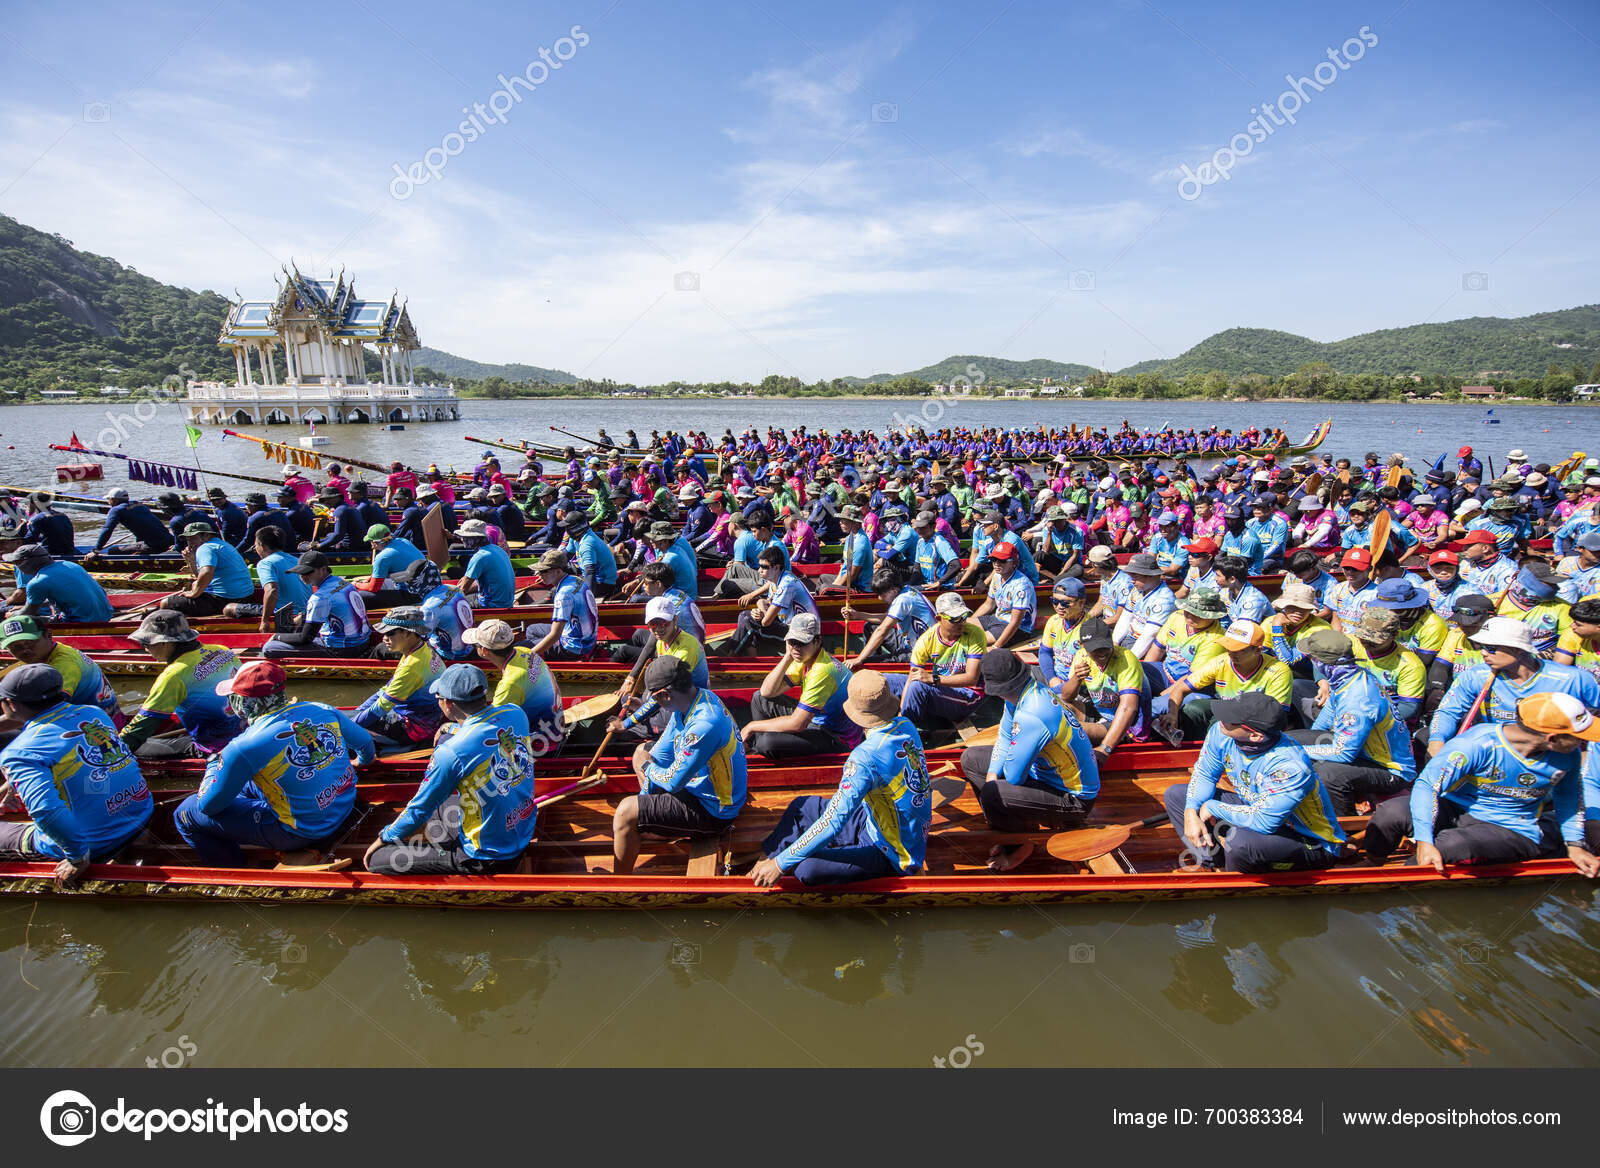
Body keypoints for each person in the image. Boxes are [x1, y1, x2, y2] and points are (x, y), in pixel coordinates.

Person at [1365, 693, 1600, 877]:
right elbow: (1427, 786)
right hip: (1458, 808)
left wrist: (1575, 845)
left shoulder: (1566, 757)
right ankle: (1372, 864)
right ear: (1552, 738)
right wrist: (1424, 840)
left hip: (1514, 829)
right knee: (1391, 812)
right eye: (1578, 737)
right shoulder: (1476, 744)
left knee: (1450, 845)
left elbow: (1568, 799)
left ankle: (1399, 883)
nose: (1583, 743)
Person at [173, 660, 374, 867]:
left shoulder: (242, 747)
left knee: (186, 812)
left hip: (301, 831)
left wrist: (214, 764)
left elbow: (207, 806)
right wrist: (361, 762)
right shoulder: (321, 709)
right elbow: (366, 744)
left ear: (243, 702)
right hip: (345, 804)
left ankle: (232, 870)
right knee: (242, 785)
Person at [753, 670, 931, 886]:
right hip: (874, 820)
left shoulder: (864, 757)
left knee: (807, 869)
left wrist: (781, 864)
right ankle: (763, 863)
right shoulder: (907, 726)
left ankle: (773, 864)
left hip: (892, 852)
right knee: (802, 806)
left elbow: (833, 822)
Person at [363, 664, 540, 875]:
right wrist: (452, 727)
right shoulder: (515, 713)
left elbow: (418, 811)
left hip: (486, 856)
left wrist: (384, 837)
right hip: (523, 826)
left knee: (376, 859)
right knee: (442, 803)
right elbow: (488, 732)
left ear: (447, 704)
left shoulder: (451, 752)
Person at [0, 664, 151, 888]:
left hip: (92, 844)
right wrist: (11, 786)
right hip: (141, 816)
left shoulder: (19, 751)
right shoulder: (94, 713)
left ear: (10, 704)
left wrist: (77, 857)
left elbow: (45, 810)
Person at [1163, 692, 1345, 873]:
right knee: (1177, 795)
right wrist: (1190, 811)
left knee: (1239, 842)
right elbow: (1205, 773)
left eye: (1230, 720)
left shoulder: (1289, 766)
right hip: (1254, 809)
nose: (1221, 720)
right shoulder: (1222, 732)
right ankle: (1211, 864)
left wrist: (1213, 807)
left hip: (1308, 840)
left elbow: (1264, 821)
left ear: (1255, 736)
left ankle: (1233, 885)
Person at [959, 647, 1099, 871]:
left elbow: (1015, 776)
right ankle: (1014, 828)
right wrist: (993, 773)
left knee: (993, 793)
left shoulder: (1032, 713)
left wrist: (993, 786)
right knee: (971, 759)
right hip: (1043, 774)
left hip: (1074, 796)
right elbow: (1005, 736)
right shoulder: (1023, 692)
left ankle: (1020, 845)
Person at [612, 656, 748, 876]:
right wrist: (646, 794)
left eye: (653, 699)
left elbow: (673, 783)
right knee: (641, 751)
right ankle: (654, 824)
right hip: (698, 786)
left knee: (625, 812)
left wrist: (646, 770)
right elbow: (659, 753)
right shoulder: (692, 701)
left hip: (716, 810)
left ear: (664, 695)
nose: (652, 704)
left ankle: (617, 885)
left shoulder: (704, 724)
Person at [1427, 617, 1600, 756]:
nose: (1483, 653)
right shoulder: (1475, 676)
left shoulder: (1573, 678)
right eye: (1481, 646)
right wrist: (1437, 741)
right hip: (1495, 751)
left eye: (1491, 648)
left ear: (1518, 649)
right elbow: (1448, 711)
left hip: (1553, 753)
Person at [1289, 629, 1417, 815]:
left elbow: (1343, 754)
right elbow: (1326, 718)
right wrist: (1299, 742)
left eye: (1312, 658)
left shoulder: (1358, 700)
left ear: (1324, 663)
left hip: (1390, 769)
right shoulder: (1348, 676)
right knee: (1289, 739)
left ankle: (1345, 827)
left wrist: (1298, 751)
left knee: (1328, 774)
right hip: (1361, 752)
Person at [118, 611, 242, 758]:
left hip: (216, 745)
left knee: (138, 749)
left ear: (165, 642)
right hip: (244, 728)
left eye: (146, 644)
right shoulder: (222, 650)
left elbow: (140, 728)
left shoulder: (174, 675)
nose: (145, 649)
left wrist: (113, 750)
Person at [1156, 618, 1291, 743]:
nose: (1232, 653)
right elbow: (1181, 688)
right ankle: (1191, 746)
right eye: (1228, 647)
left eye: (1239, 650)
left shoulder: (1278, 671)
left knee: (1219, 723)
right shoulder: (1221, 661)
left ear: (1258, 650)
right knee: (1193, 709)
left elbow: (1275, 715)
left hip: (1254, 720)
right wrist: (1172, 714)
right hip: (1225, 707)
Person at [741, 613, 857, 758]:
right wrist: (788, 656)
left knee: (767, 742)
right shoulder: (804, 657)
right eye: (792, 641)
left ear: (817, 641)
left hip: (835, 736)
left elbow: (798, 724)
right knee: (759, 699)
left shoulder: (823, 669)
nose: (796, 648)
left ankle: (759, 746)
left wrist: (751, 726)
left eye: (801, 642)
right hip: (815, 720)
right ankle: (759, 745)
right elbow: (766, 692)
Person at [886, 591, 988, 728]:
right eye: (955, 618)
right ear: (939, 618)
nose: (962, 622)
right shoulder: (926, 639)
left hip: (968, 694)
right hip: (941, 687)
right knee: (886, 680)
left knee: (918, 687)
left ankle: (906, 732)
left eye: (964, 616)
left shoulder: (975, 634)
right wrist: (901, 711)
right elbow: (912, 677)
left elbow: (972, 678)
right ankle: (899, 721)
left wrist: (933, 679)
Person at [352, 607, 446, 748]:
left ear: (409, 633)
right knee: (350, 717)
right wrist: (358, 711)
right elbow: (385, 690)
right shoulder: (421, 648)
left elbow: (380, 707)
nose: (384, 638)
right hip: (425, 715)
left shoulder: (412, 666)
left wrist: (349, 728)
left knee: (344, 723)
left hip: (415, 727)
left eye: (390, 633)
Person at [0, 615, 120, 723]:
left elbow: (44, 713)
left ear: (48, 635)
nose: (25, 650)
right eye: (16, 647)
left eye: (30, 643)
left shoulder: (64, 665)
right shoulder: (48, 653)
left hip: (98, 726)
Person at [463, 619, 564, 748]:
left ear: (484, 651)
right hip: (555, 724)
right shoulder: (523, 651)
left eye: (475, 646)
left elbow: (490, 724)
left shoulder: (510, 684)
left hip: (542, 742)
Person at [1059, 616, 1148, 755]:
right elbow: (1066, 697)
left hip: (1123, 724)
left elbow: (1128, 709)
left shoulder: (1126, 660)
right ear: (1082, 645)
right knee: (1058, 709)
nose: (1101, 653)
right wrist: (1076, 678)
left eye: (1105, 647)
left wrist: (1105, 748)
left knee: (1069, 729)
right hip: (1099, 710)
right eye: (1095, 649)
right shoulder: (1081, 655)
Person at [261, 551, 372, 659]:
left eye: (308, 572)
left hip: (343, 649)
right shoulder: (342, 582)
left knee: (269, 647)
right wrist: (303, 616)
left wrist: (277, 637)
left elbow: (304, 639)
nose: (303, 577)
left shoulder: (320, 597)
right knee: (300, 627)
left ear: (323, 569)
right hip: (364, 641)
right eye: (301, 573)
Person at [726, 546, 819, 656]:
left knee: (746, 620)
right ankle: (752, 660)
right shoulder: (777, 578)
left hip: (802, 635)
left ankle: (731, 657)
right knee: (745, 618)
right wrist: (759, 608)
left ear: (776, 567)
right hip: (789, 625)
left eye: (764, 567)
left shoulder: (786, 584)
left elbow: (766, 622)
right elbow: (764, 602)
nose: (759, 570)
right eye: (759, 566)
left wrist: (761, 611)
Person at [843, 567, 936, 666]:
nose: (879, 598)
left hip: (919, 653)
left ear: (894, 590)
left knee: (866, 663)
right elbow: (886, 619)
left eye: (882, 594)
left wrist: (859, 659)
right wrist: (858, 615)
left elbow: (882, 630)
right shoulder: (906, 590)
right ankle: (871, 657)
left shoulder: (903, 600)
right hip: (908, 641)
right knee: (870, 627)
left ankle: (869, 663)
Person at [159, 522, 255, 618]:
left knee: (166, 603)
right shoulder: (223, 544)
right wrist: (192, 562)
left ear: (206, 535)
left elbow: (207, 572)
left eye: (193, 538)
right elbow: (201, 577)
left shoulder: (205, 548)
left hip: (224, 600)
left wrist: (194, 594)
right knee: (195, 584)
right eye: (188, 539)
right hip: (246, 597)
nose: (190, 543)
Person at [222, 526, 308, 631]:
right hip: (303, 612)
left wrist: (264, 621)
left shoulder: (266, 563)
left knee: (229, 608)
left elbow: (272, 590)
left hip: (283, 612)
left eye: (256, 545)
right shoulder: (296, 560)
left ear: (261, 545)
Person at [1, 544, 113, 622]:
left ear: (26, 563)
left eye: (16, 563)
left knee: (9, 615)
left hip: (80, 621)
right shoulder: (70, 564)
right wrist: (24, 608)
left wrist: (13, 614)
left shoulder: (37, 583)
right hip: (107, 615)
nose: (17, 567)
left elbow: (26, 614)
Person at [526, 549, 597, 660]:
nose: (539, 574)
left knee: (521, 647)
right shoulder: (576, 580)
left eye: (544, 571)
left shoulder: (563, 594)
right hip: (588, 639)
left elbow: (555, 635)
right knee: (531, 630)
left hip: (573, 648)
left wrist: (528, 655)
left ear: (558, 571)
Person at [969, 541, 1035, 648]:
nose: (996, 564)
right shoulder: (996, 577)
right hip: (996, 618)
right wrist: (970, 622)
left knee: (973, 642)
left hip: (1017, 628)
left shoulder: (1022, 585)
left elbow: (1015, 622)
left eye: (1002, 560)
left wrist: (996, 646)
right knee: (959, 627)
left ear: (1014, 562)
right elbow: (988, 605)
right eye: (994, 560)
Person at [87, 487, 175, 555]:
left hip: (156, 545)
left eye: (108, 499)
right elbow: (145, 524)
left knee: (112, 551)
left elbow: (107, 530)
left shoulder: (116, 510)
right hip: (170, 540)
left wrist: (96, 550)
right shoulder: (138, 504)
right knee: (138, 544)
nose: (108, 502)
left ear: (114, 500)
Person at [458, 518, 516, 608]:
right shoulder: (497, 549)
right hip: (506, 602)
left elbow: (463, 589)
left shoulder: (479, 557)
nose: (461, 539)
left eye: (464, 537)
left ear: (474, 538)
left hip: (492, 604)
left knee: (456, 604)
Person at [561, 512, 620, 599]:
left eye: (568, 527)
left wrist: (588, 598)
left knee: (562, 592)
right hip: (589, 577)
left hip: (602, 583)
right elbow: (565, 556)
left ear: (576, 528)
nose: (566, 529)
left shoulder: (587, 543)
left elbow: (590, 573)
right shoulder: (575, 538)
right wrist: (548, 569)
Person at [22, 492, 76, 558]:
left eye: (28, 503)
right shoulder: (63, 515)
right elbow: (55, 534)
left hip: (52, 552)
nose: (26, 507)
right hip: (69, 550)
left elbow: (28, 540)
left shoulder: (37, 518)